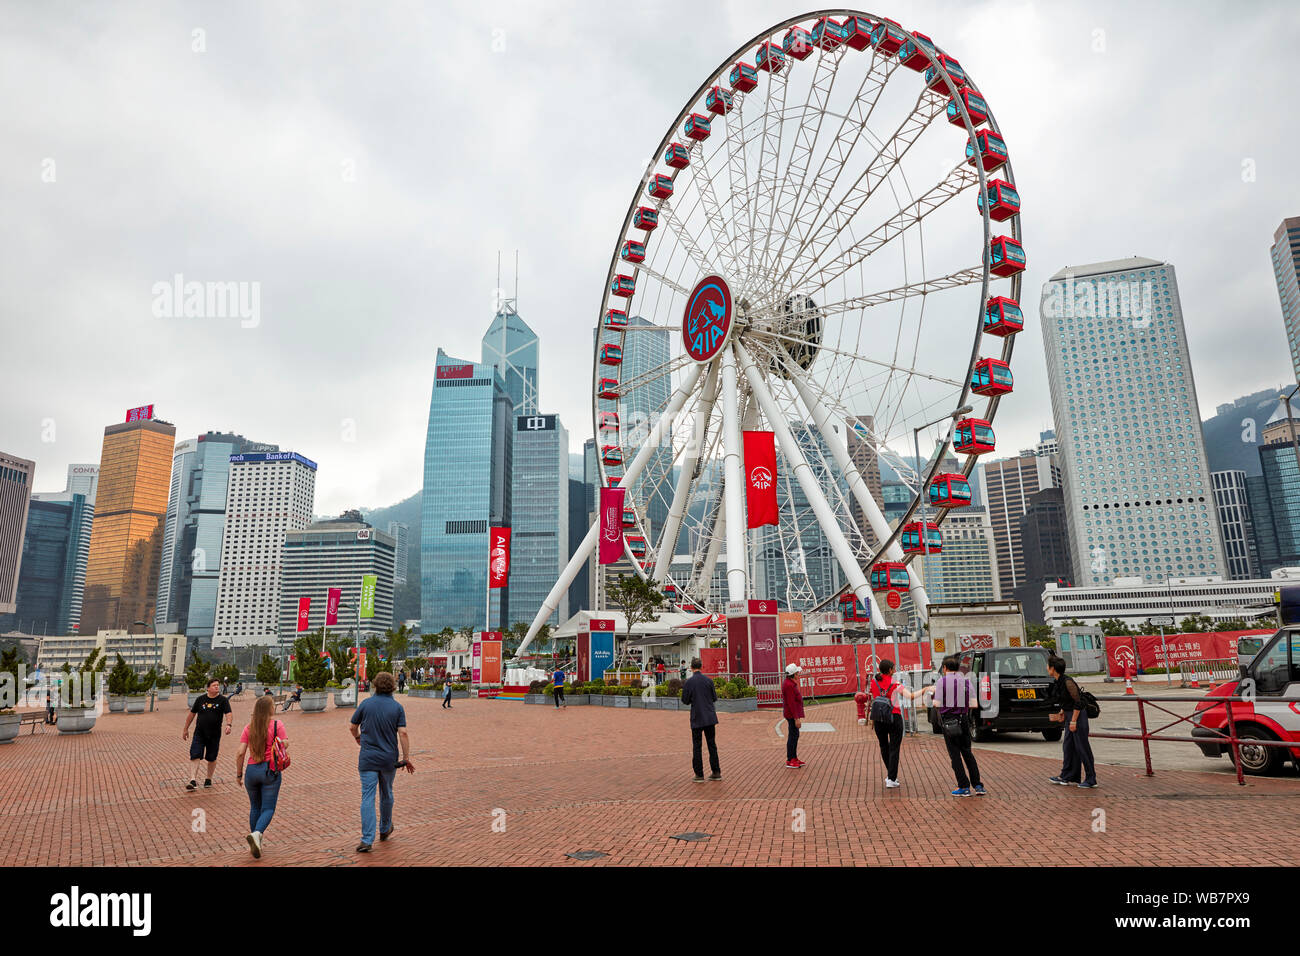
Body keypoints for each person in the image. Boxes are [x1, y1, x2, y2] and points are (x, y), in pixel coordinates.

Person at [349, 671, 415, 852]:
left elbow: (352, 727)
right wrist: (406, 758)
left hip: (368, 758)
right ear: (393, 687)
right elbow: (403, 733)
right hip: (388, 759)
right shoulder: (397, 707)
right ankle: (385, 828)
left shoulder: (366, 704)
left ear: (375, 685)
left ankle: (367, 839)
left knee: (367, 797)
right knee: (387, 793)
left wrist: (358, 738)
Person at [234, 694, 288, 858]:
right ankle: (257, 834)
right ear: (269, 709)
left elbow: (240, 752)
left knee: (255, 807)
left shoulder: (248, 728)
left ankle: (255, 841)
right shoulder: (277, 724)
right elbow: (285, 743)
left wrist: (239, 774)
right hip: (269, 770)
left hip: (251, 771)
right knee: (268, 808)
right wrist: (279, 743)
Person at [867, 659, 925, 789]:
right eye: (893, 668)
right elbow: (910, 696)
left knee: (883, 746)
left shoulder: (873, 681)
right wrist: (924, 690)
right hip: (894, 717)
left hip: (878, 719)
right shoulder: (895, 683)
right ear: (890, 670)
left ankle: (890, 775)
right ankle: (891, 778)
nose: (895, 670)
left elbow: (873, 696)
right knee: (894, 748)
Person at [933, 655, 984, 797]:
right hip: (964, 721)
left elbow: (936, 704)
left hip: (949, 722)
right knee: (968, 753)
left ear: (944, 668)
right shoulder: (966, 682)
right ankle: (978, 785)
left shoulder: (942, 682)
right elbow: (974, 704)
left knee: (955, 755)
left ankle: (963, 786)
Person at [1047, 655, 1098, 789]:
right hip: (1070, 715)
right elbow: (1066, 700)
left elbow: (1079, 702)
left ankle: (1091, 778)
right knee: (1068, 747)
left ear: (1053, 668)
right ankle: (1068, 775)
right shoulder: (1058, 681)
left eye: (1048, 666)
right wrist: (1063, 711)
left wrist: (1074, 721)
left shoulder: (1068, 682)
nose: (1047, 668)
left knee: (1082, 748)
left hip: (1078, 716)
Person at [182, 678, 232, 791]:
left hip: (214, 734)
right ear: (208, 688)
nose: (217, 687)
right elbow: (191, 714)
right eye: (214, 685)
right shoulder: (200, 699)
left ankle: (208, 778)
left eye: (218, 685)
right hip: (199, 733)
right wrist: (185, 729)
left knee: (212, 757)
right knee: (195, 754)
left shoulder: (223, 700)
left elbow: (228, 713)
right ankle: (192, 780)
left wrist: (229, 725)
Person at [679, 658, 721, 782]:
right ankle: (716, 771)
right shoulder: (709, 681)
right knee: (712, 745)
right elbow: (714, 698)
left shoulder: (689, 682)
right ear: (701, 667)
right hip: (709, 716)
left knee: (697, 746)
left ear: (691, 667)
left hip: (697, 717)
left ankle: (699, 774)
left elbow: (685, 701)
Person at [782, 663, 805, 769]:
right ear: (793, 674)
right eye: (797, 673)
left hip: (792, 714)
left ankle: (794, 757)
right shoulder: (789, 685)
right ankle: (790, 759)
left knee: (795, 735)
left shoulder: (790, 683)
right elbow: (791, 703)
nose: (798, 674)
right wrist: (796, 719)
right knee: (793, 736)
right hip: (791, 715)